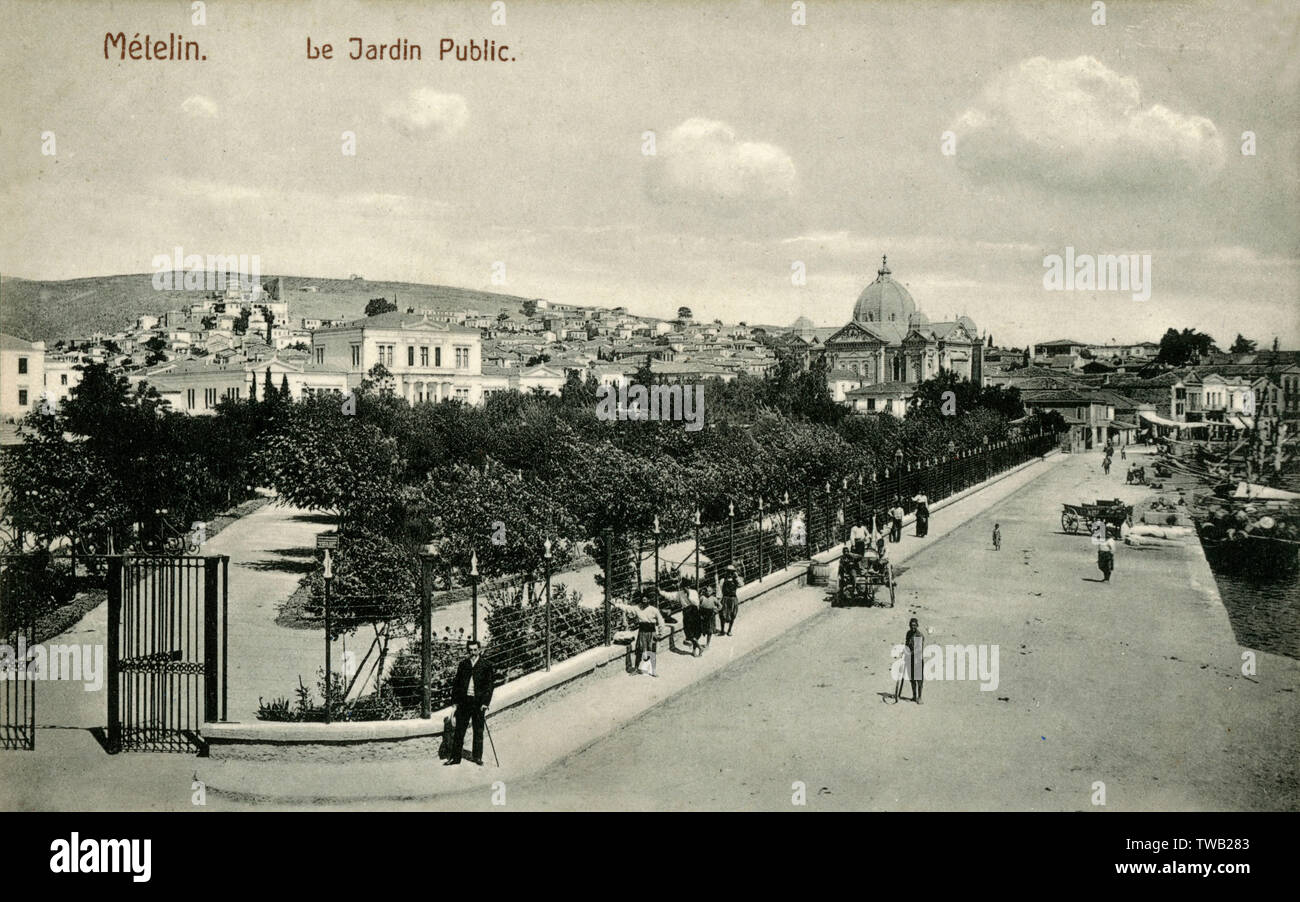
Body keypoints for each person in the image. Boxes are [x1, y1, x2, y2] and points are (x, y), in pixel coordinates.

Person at [446, 640, 495, 766]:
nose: (473, 653)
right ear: (468, 651)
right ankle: (455, 758)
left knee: (478, 730)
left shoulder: (486, 665)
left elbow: (489, 686)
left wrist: (485, 703)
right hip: (464, 702)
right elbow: (456, 684)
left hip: (478, 703)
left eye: (475, 650)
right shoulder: (463, 664)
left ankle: (477, 757)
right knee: (459, 730)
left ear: (479, 650)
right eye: (470, 650)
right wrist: (455, 703)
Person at [612, 593, 666, 676]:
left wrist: (660, 634)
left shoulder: (654, 610)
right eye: (642, 600)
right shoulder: (637, 608)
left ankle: (653, 670)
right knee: (639, 650)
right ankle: (636, 669)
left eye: (646, 600)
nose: (644, 602)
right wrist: (615, 604)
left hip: (651, 632)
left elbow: (661, 621)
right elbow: (627, 608)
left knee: (651, 651)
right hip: (642, 632)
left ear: (649, 600)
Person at [660, 576, 701, 656]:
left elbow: (696, 603)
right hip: (686, 612)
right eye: (684, 587)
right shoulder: (680, 593)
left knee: (695, 631)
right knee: (689, 632)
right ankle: (699, 647)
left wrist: (688, 594)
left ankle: (695, 649)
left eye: (686, 586)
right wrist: (660, 592)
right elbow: (670, 596)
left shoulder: (694, 592)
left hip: (694, 611)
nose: (685, 588)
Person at [894, 618, 924, 704]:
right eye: (911, 625)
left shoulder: (919, 635)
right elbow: (906, 644)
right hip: (909, 659)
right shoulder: (908, 633)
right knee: (912, 679)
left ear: (917, 625)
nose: (912, 627)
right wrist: (904, 651)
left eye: (914, 625)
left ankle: (920, 697)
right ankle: (914, 696)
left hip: (917, 660)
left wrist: (909, 652)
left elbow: (918, 649)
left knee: (919, 680)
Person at [718, 564, 742, 636]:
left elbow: (741, 584)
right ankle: (722, 630)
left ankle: (729, 630)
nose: (730, 574)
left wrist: (737, 576)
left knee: (733, 614)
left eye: (732, 572)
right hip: (725, 598)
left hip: (733, 599)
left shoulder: (735, 580)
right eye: (728, 572)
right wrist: (719, 600)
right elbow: (719, 590)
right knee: (722, 615)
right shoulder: (722, 580)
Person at [697, 582, 718, 649]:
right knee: (700, 629)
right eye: (706, 591)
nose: (708, 592)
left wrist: (716, 611)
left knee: (709, 631)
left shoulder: (714, 598)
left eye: (709, 591)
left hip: (711, 616)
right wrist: (699, 614)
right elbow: (698, 606)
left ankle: (707, 644)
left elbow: (720, 606)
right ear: (704, 591)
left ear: (712, 591)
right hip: (703, 616)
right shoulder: (702, 598)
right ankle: (696, 643)